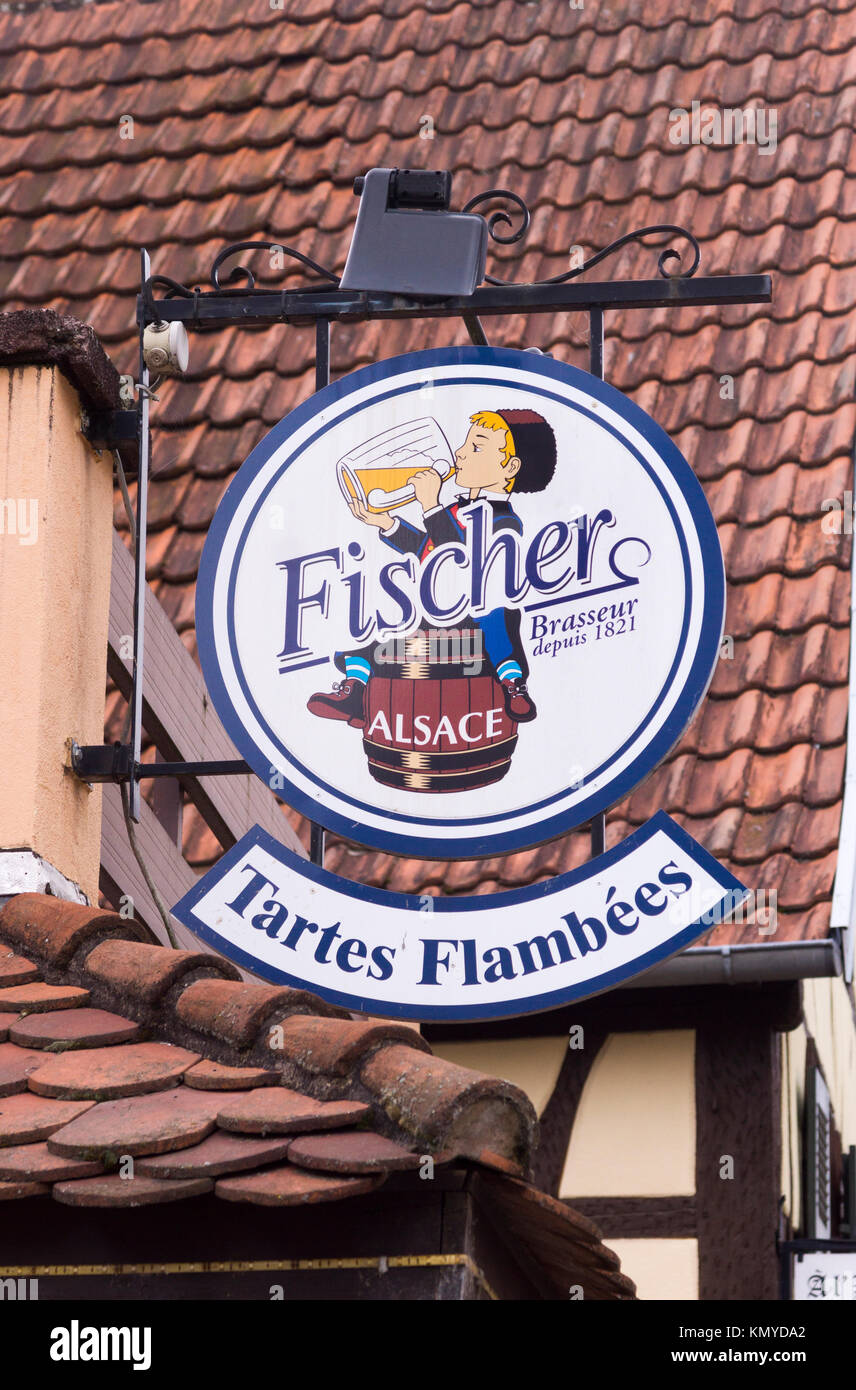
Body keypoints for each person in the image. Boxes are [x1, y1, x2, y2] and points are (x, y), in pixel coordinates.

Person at [308, 407, 557, 729]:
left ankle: (512, 685)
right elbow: (426, 548)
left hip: (474, 614)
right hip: (433, 609)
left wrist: (431, 505)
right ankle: (354, 692)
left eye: (476, 447)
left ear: (509, 466)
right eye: (465, 445)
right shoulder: (453, 508)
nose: (459, 454)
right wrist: (385, 523)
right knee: (368, 624)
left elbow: (457, 557)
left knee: (499, 620)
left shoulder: (503, 519)